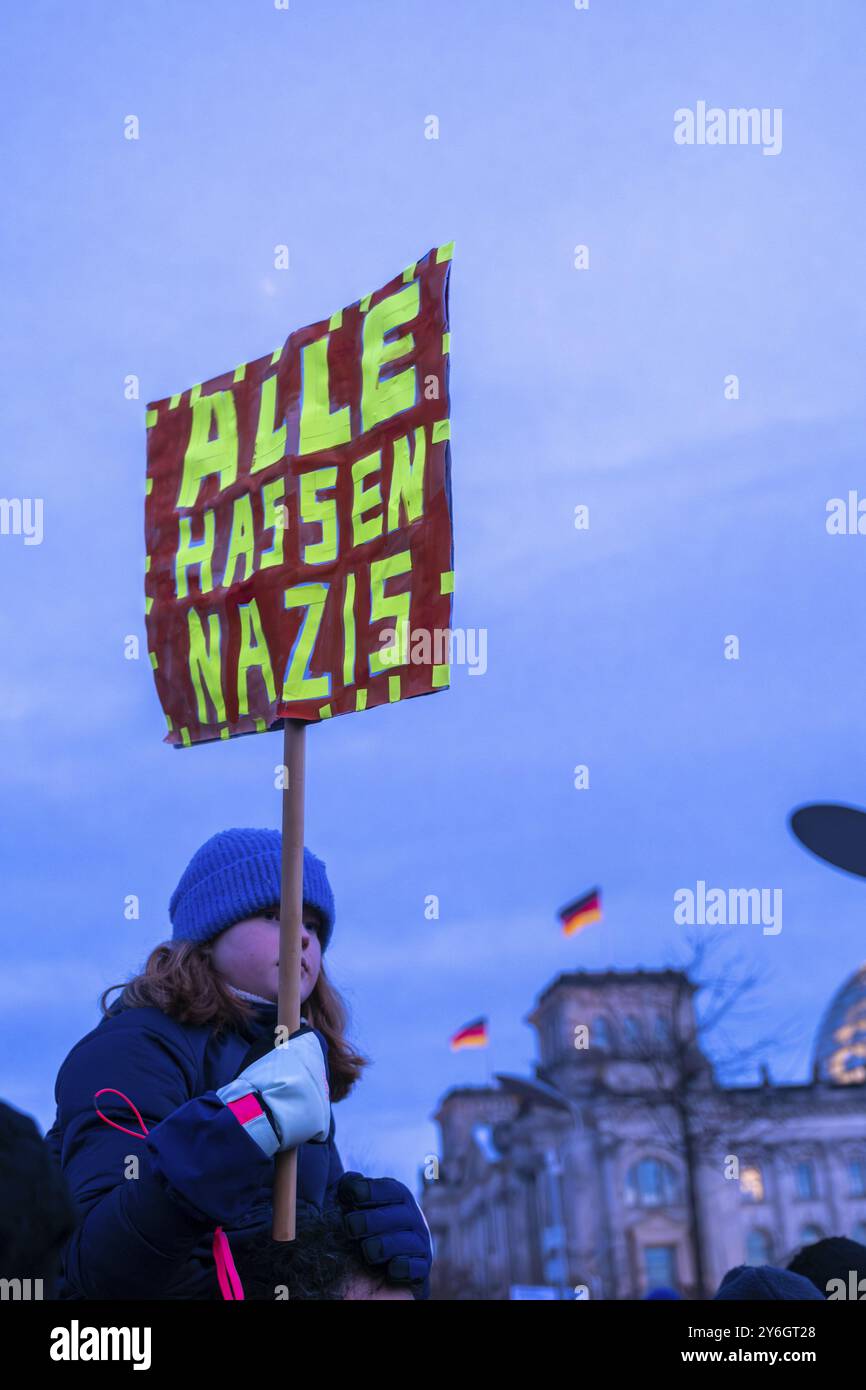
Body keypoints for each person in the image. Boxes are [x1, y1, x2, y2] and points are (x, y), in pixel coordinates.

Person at [45, 828, 432, 1300]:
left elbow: (293, 1262)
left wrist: (380, 1258)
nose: (304, 938)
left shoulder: (296, 1062)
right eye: (275, 914)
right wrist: (224, 1142)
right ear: (207, 934)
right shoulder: (132, 1047)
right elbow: (94, 1272)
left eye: (313, 925)